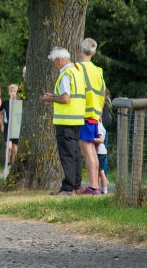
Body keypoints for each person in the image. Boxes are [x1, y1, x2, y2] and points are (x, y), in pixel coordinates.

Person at [43, 47, 86, 195]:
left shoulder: (66, 74)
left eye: (55, 62)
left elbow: (66, 98)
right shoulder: (77, 72)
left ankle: (68, 187)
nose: (55, 65)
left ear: (60, 60)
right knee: (75, 154)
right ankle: (76, 186)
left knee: (67, 155)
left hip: (66, 120)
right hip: (77, 119)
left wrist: (51, 98)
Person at [77, 38, 105, 194]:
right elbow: (102, 92)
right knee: (92, 150)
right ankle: (94, 185)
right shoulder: (98, 71)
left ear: (80, 50)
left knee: (87, 149)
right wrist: (99, 112)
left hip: (83, 113)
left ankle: (93, 186)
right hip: (94, 113)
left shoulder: (78, 68)